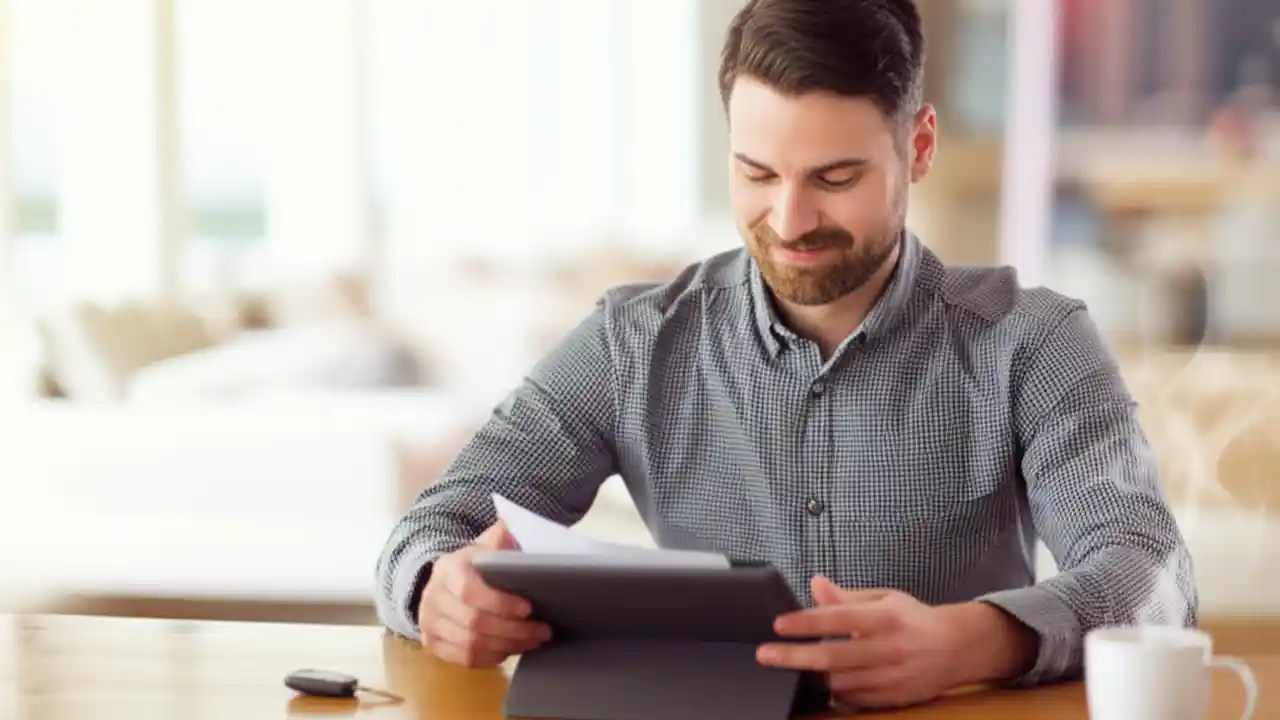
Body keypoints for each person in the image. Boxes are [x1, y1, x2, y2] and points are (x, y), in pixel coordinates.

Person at [375, 0, 1196, 710]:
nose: (790, 219)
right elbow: (426, 531)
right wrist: (434, 590)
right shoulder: (633, 345)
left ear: (918, 146)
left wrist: (967, 643)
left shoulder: (1033, 342)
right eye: (756, 173)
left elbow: (1152, 576)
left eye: (834, 178)